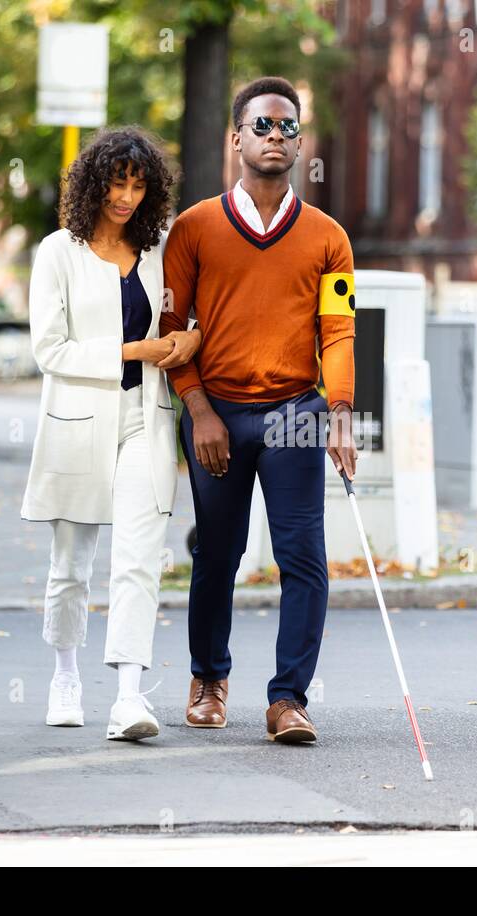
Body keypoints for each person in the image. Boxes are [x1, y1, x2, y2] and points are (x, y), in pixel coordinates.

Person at [158, 76, 358, 744]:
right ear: (235, 138)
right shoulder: (194, 228)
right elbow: (172, 330)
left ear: (300, 143)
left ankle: (288, 699)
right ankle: (208, 679)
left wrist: (340, 410)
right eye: (262, 125)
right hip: (216, 411)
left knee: (304, 556)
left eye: (287, 127)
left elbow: (338, 330)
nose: (276, 136)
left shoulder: (329, 237)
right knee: (218, 552)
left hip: (295, 412)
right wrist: (197, 409)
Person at [21, 126, 201, 740]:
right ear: (94, 185)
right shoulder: (57, 252)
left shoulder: (157, 250)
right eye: (116, 184)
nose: (125, 197)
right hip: (78, 422)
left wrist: (188, 339)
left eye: (138, 186)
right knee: (71, 565)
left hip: (145, 418)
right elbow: (49, 349)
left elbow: (188, 313)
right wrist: (134, 350)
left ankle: (127, 698)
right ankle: (65, 676)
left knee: (139, 559)